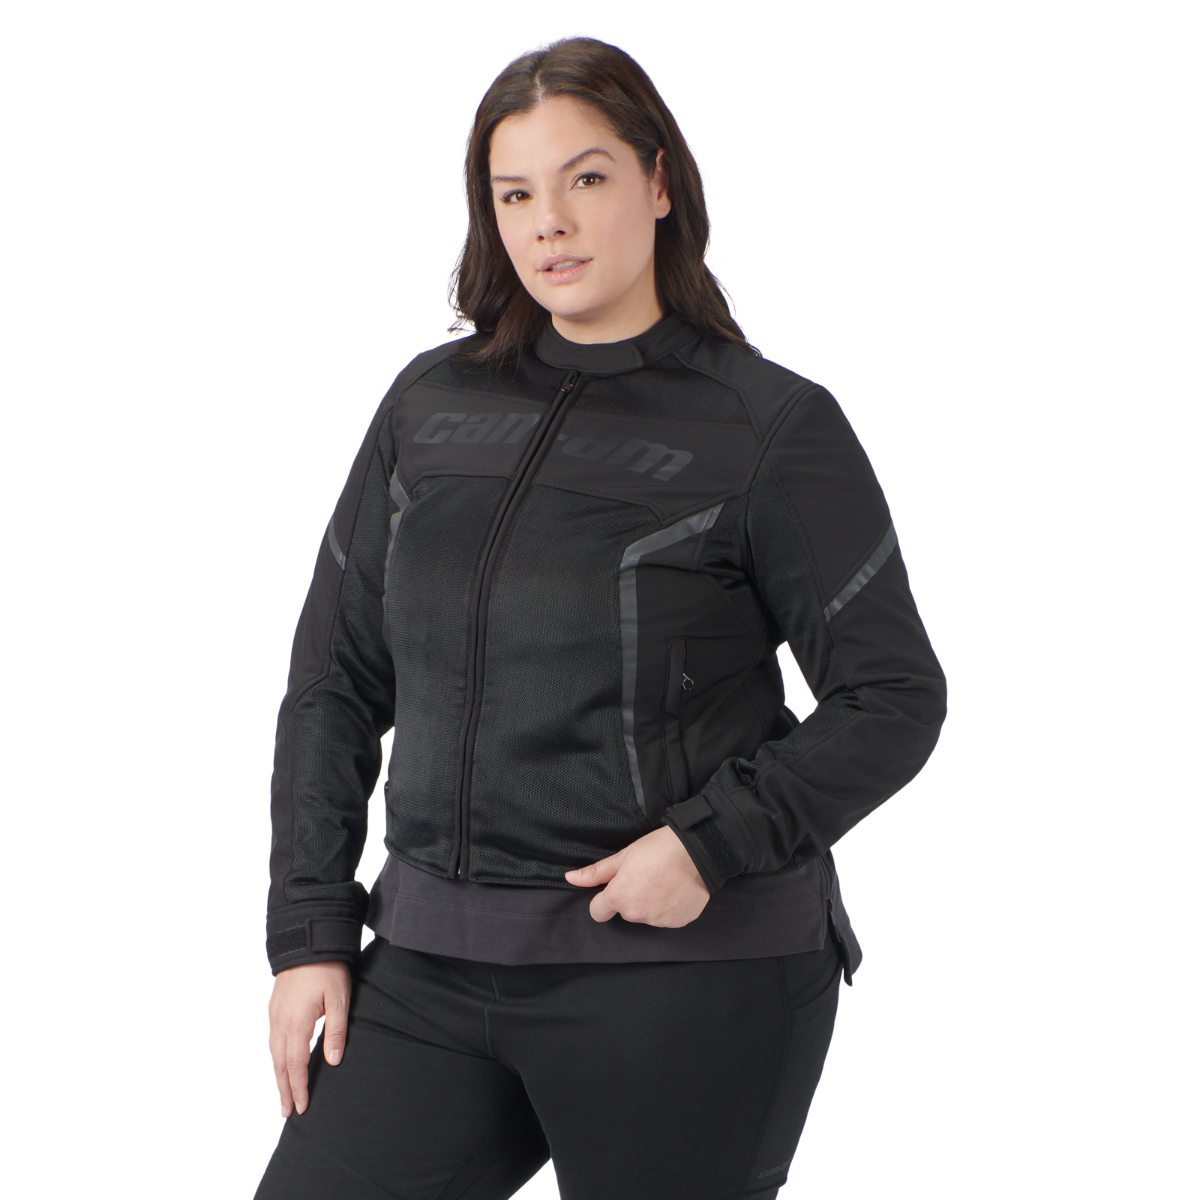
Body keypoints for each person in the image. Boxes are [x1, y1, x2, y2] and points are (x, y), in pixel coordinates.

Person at [256, 32, 947, 1200]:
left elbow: (895, 697)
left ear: (660, 182)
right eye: (515, 194)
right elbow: (335, 681)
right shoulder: (427, 405)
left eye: (586, 178)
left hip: (685, 980)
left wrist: (710, 843)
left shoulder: (772, 427)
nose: (551, 224)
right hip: (430, 965)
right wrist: (311, 932)